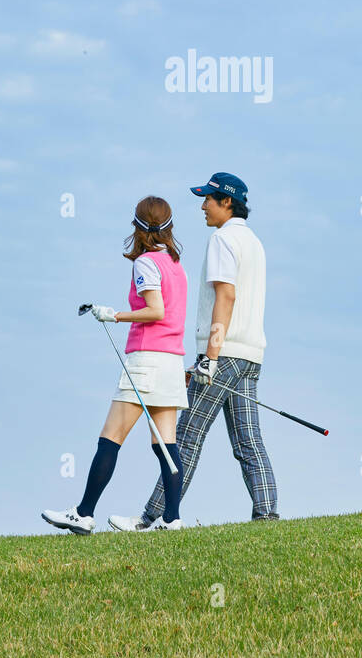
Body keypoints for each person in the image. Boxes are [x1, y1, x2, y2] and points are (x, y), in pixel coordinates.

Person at [109, 172, 278, 531]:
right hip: (251, 355)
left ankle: (149, 518)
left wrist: (210, 357)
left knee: (184, 438)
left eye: (209, 199)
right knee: (248, 440)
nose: (203, 207)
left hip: (223, 353)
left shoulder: (222, 239)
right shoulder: (255, 243)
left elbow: (226, 297)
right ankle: (267, 515)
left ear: (227, 202)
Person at [41, 196, 188, 535]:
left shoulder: (146, 264)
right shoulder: (176, 265)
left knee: (110, 439)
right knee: (166, 444)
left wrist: (114, 315)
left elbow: (156, 311)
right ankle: (172, 518)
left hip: (147, 361)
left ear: (137, 226)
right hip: (171, 362)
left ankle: (84, 513)